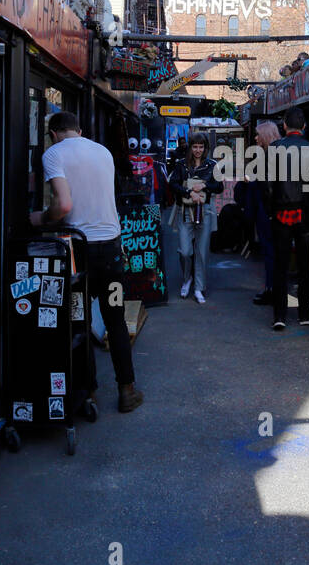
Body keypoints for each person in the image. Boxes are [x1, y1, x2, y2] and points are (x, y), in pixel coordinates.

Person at [30, 111, 143, 414]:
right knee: (115, 320)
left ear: (53, 133)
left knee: (80, 320)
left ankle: (89, 392)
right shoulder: (103, 151)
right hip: (111, 249)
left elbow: (64, 204)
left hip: (78, 250)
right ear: (78, 130)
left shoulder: (54, 153)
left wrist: (40, 218)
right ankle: (127, 390)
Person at [267, 107, 309, 330]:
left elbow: (268, 186)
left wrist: (271, 210)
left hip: (280, 214)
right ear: (304, 126)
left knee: (281, 266)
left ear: (284, 126)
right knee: (306, 266)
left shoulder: (275, 148)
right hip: (304, 215)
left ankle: (280, 316)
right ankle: (304, 314)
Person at [167, 133, 223, 303]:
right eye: (195, 146)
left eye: (201, 147)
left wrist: (205, 185)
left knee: (201, 251)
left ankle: (199, 287)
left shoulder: (212, 165)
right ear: (190, 147)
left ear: (205, 148)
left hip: (205, 211)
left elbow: (219, 186)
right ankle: (187, 279)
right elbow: (173, 184)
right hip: (185, 210)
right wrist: (189, 192)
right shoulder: (181, 164)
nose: (198, 150)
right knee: (185, 251)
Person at [245, 120, 281, 305]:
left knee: (270, 252)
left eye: (259, 134)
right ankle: (272, 288)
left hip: (268, 212)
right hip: (270, 211)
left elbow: (268, 186)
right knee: (271, 253)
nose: (256, 137)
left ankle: (272, 289)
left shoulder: (269, 156)